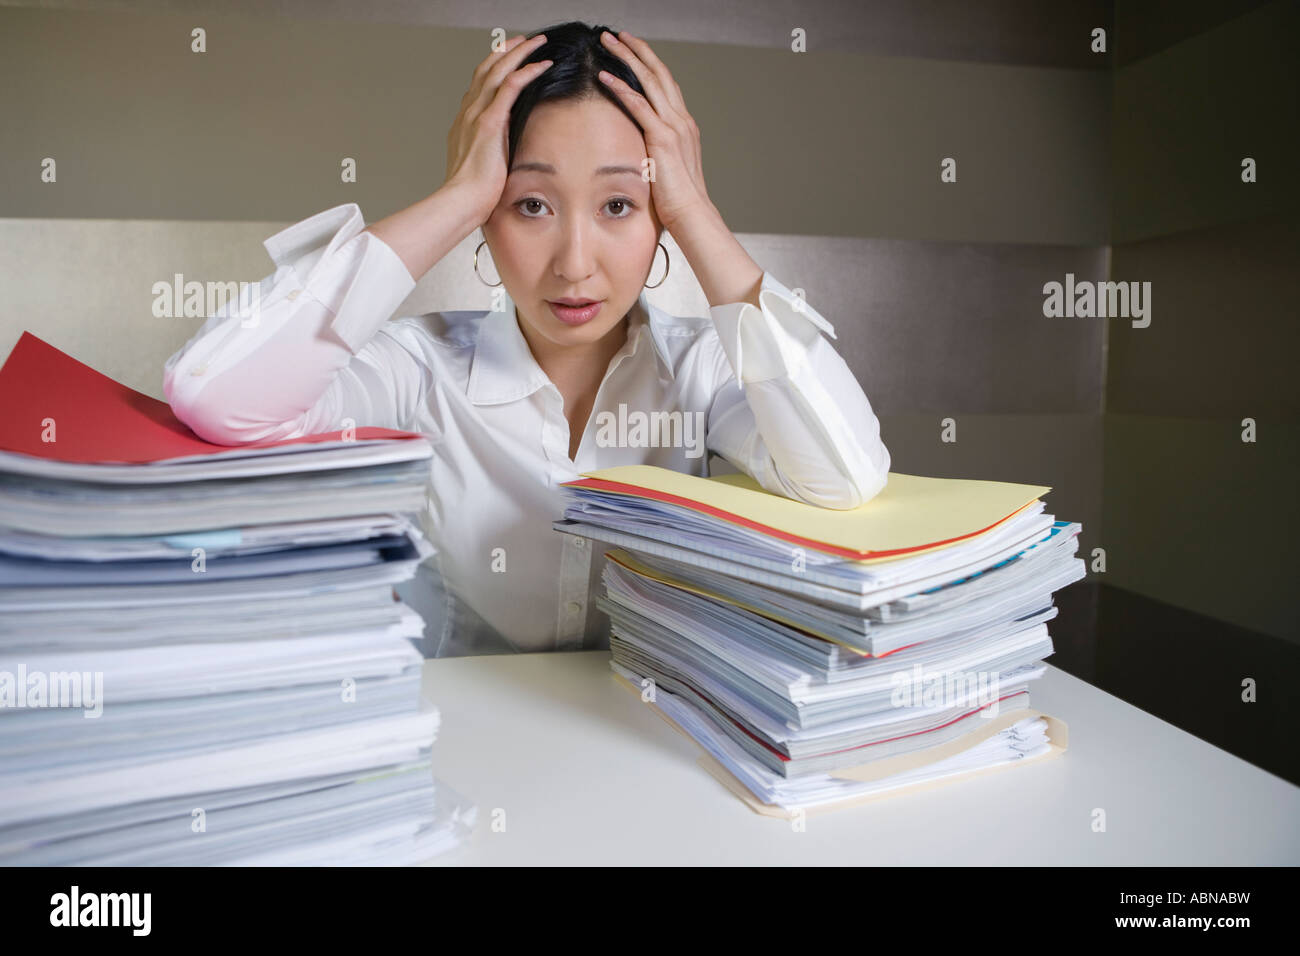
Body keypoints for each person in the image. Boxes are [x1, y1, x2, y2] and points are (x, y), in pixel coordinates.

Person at [163, 20, 891, 657]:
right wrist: (455, 198)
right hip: (456, 755)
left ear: (659, 215)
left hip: (645, 753)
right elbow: (222, 398)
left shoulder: (699, 369)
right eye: (531, 204)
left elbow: (844, 475)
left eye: (618, 205)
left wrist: (696, 212)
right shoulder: (422, 371)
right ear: (489, 215)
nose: (575, 264)